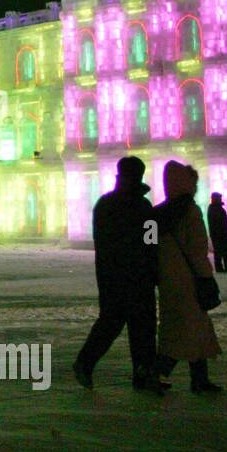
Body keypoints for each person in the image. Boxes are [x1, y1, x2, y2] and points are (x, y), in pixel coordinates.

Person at [73, 156, 162, 393]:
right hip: (124, 276)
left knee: (136, 326)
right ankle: (86, 363)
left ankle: (141, 372)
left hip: (123, 276)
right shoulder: (137, 207)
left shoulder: (111, 205)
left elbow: (150, 240)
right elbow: (148, 241)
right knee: (118, 324)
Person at [152, 161, 223, 393]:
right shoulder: (190, 211)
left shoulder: (158, 213)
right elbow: (197, 249)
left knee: (186, 329)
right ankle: (155, 374)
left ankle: (198, 379)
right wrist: (205, 275)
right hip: (189, 280)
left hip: (168, 280)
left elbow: (148, 245)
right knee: (189, 331)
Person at [206, 192, 227, 272]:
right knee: (218, 251)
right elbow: (216, 222)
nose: (220, 199)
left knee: (226, 250)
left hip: (222, 233)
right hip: (217, 234)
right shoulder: (213, 209)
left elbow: (224, 221)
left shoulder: (218, 208)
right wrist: (220, 231)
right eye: (219, 198)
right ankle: (219, 267)